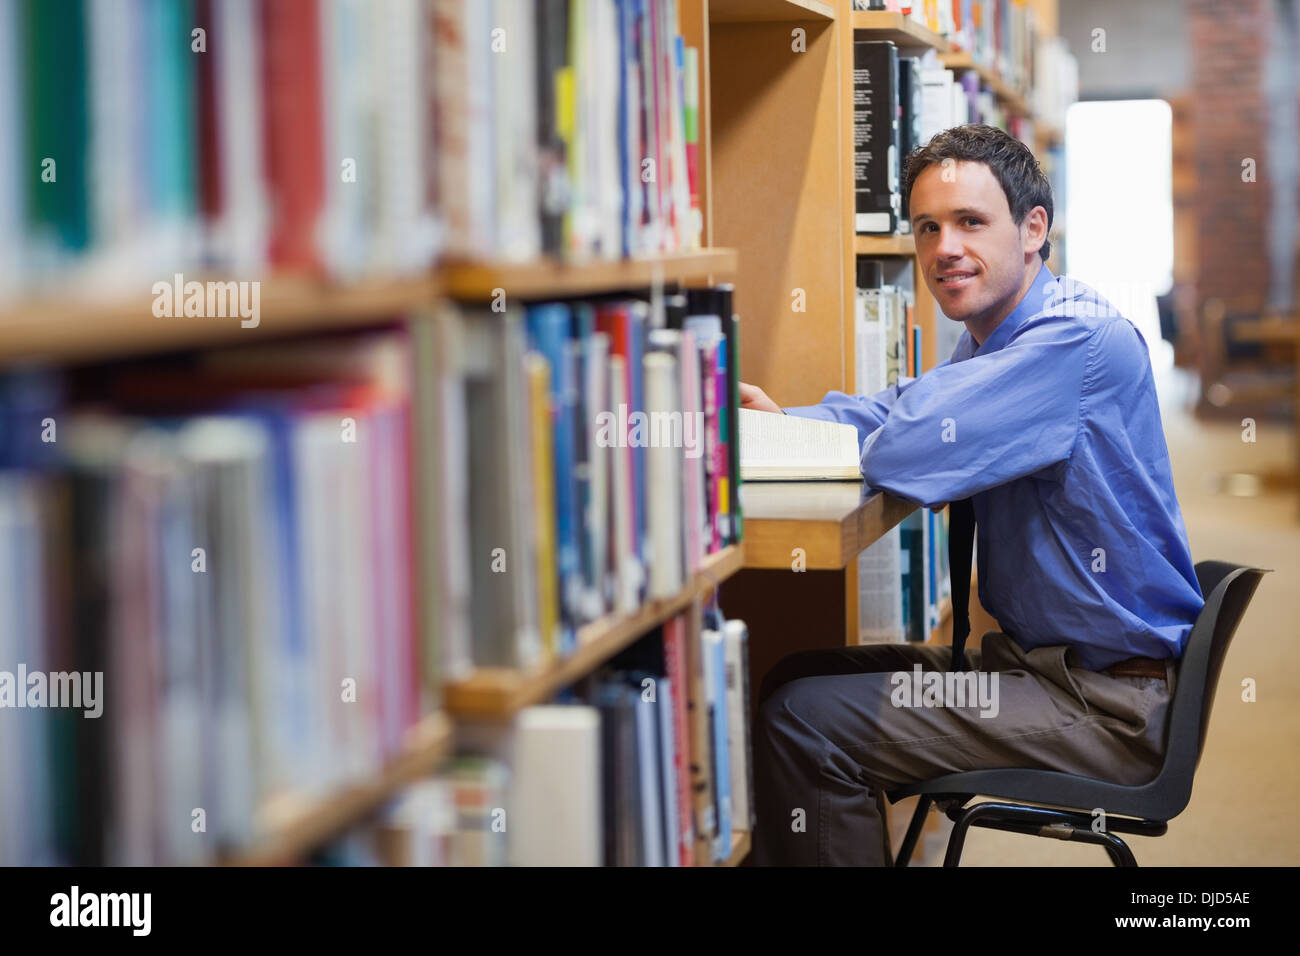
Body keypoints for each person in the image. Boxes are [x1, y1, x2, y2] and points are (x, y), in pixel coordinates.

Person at [739, 124, 1204, 866]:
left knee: (807, 721)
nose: (943, 248)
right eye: (927, 227)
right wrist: (784, 426)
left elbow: (910, 440)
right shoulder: (1002, 334)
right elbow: (899, 409)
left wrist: (834, 438)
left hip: (1102, 704)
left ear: (1032, 229)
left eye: (969, 223)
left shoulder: (1070, 341)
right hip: (1039, 668)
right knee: (790, 675)